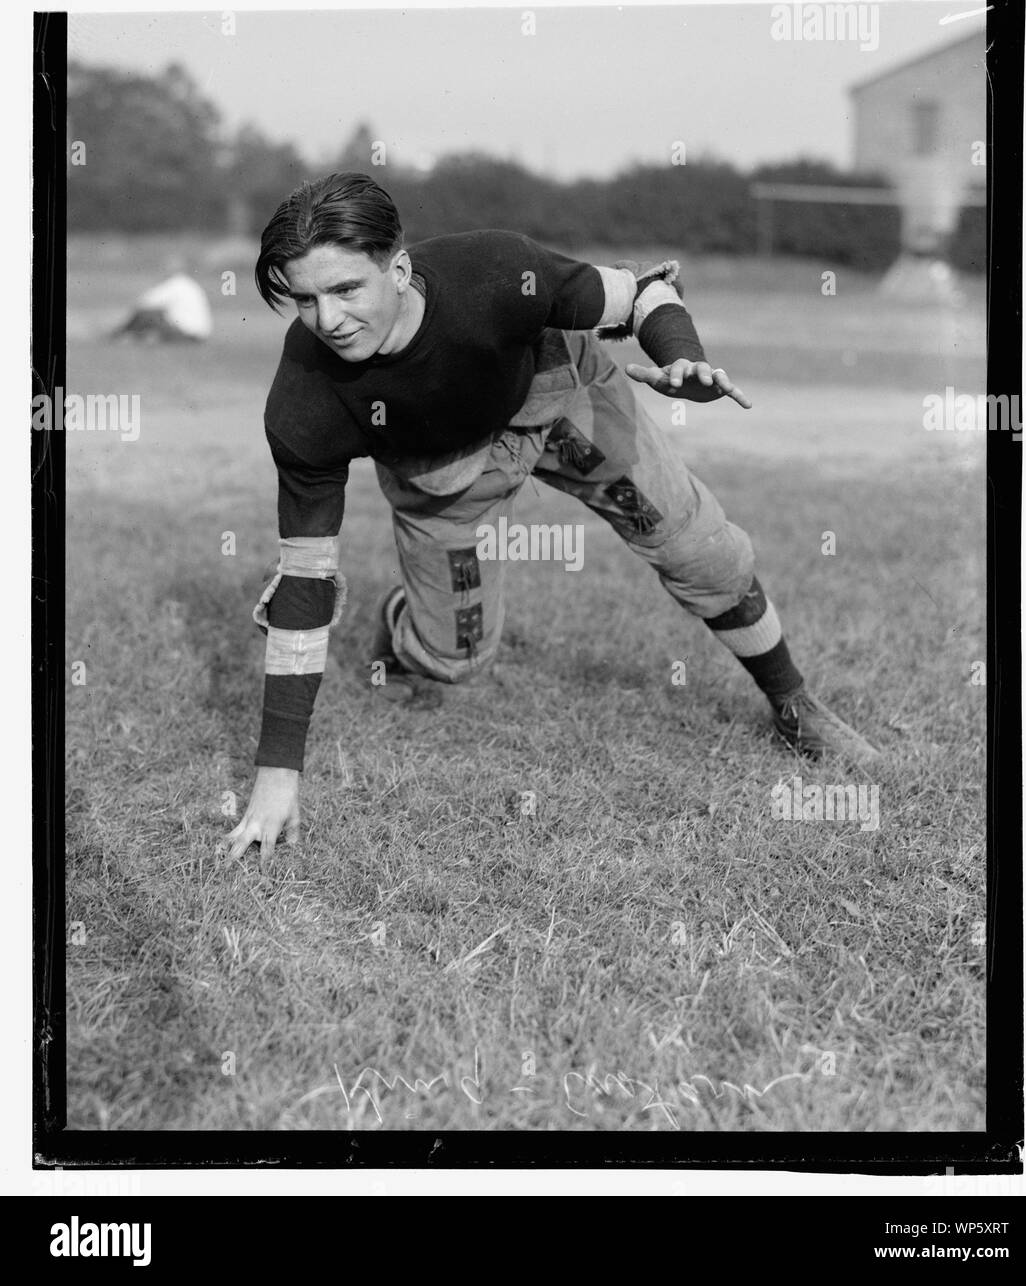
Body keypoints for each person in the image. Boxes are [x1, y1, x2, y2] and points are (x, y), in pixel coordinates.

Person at [223, 172, 879, 869]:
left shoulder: (500, 272)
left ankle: (793, 704)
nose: (328, 320)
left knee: (699, 547)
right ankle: (404, 621)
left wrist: (681, 355)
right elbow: (303, 582)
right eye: (305, 299)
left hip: (554, 394)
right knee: (450, 660)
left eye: (347, 289)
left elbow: (645, 290)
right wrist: (275, 779)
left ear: (399, 269)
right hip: (441, 471)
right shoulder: (304, 404)